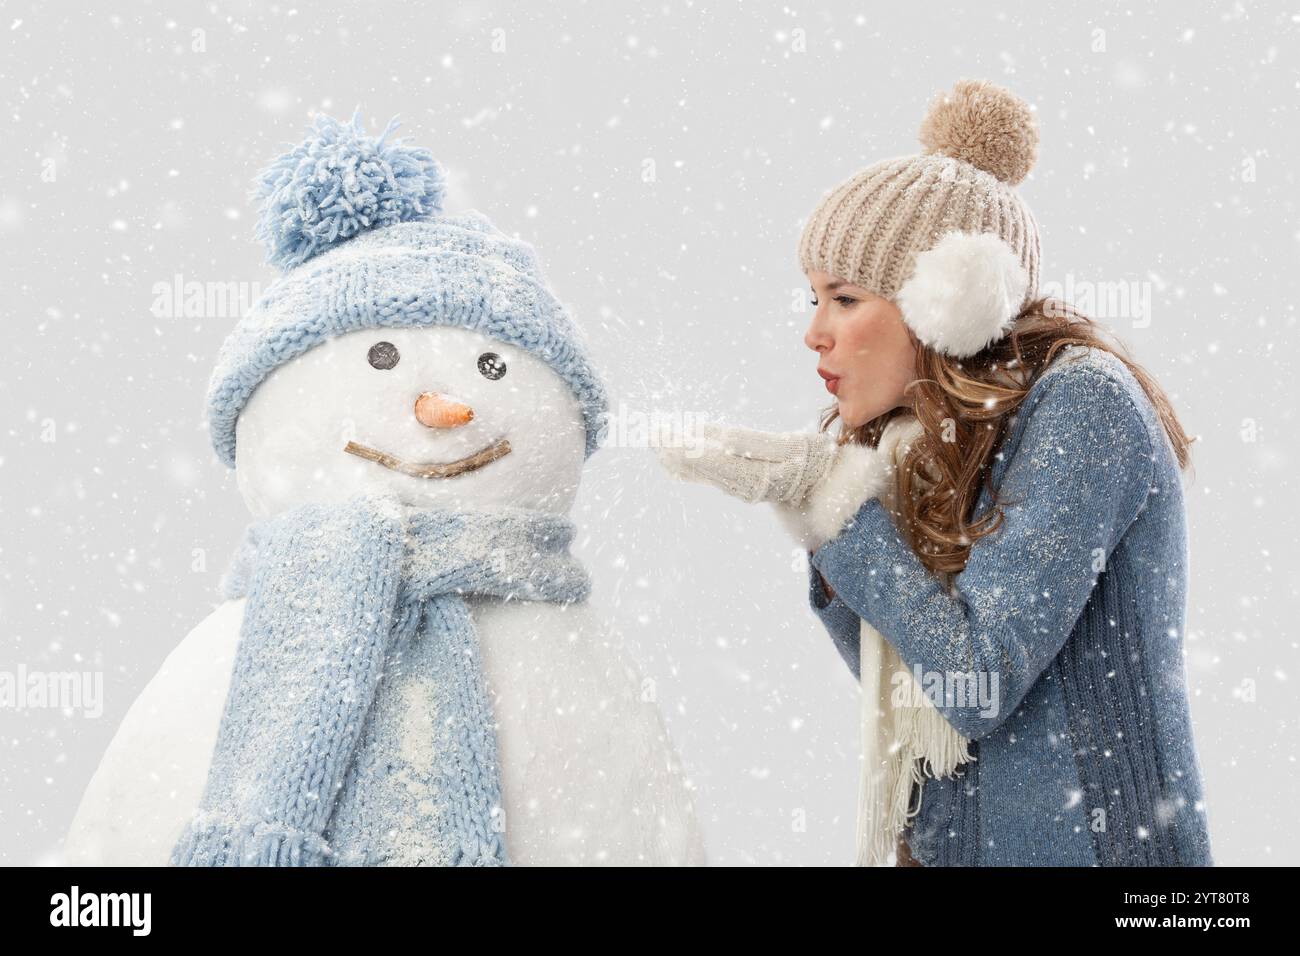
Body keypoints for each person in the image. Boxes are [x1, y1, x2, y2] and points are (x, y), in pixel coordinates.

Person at [656, 78, 1213, 867]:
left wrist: (835, 506)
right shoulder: (920, 447)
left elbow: (976, 682)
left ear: (946, 299)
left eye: (845, 298)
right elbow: (909, 691)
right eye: (813, 300)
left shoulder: (1084, 406)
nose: (814, 333)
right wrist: (827, 516)